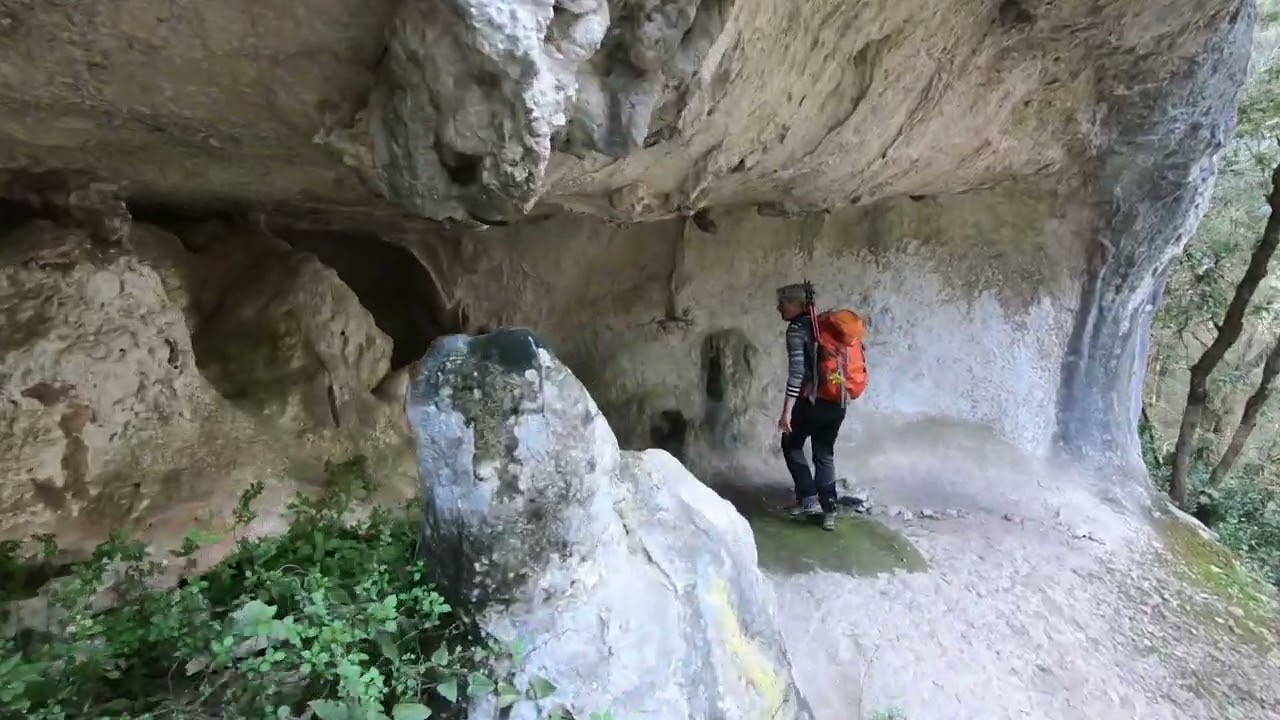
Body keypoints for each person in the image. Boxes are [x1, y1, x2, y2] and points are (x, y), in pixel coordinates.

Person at [775, 283, 846, 531]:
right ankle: (829, 511)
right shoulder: (826, 326)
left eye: (783, 303)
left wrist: (786, 412)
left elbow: (797, 374)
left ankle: (808, 499)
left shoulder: (796, 330)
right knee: (824, 453)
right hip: (837, 403)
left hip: (811, 402)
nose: (779, 307)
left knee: (790, 444)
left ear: (797, 304)